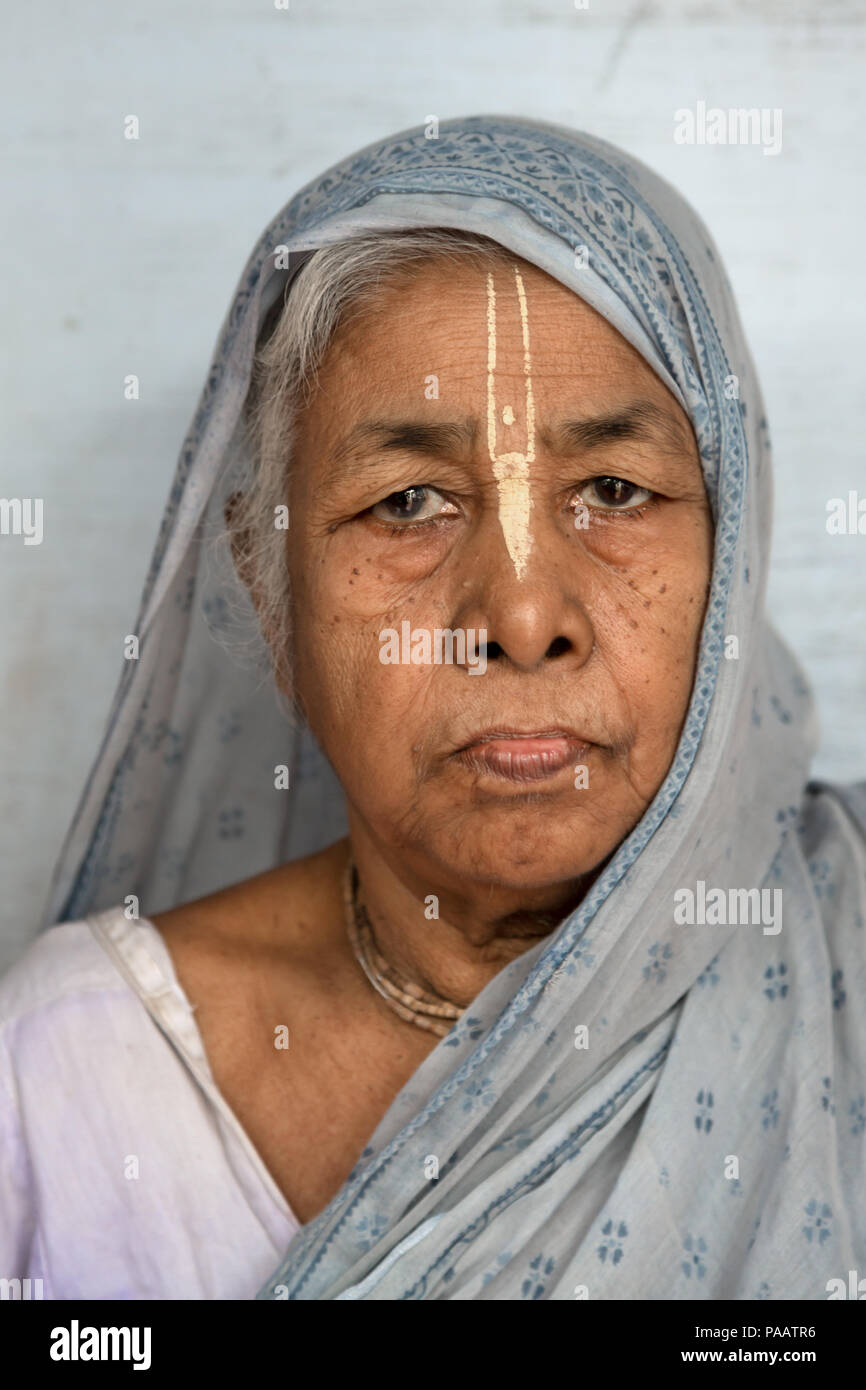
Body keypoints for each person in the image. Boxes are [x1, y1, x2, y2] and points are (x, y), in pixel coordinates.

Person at [1, 115, 863, 1301]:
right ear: (274, 602)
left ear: (733, 561)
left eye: (612, 490)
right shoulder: (83, 1067)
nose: (519, 616)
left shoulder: (846, 955)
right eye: (408, 502)